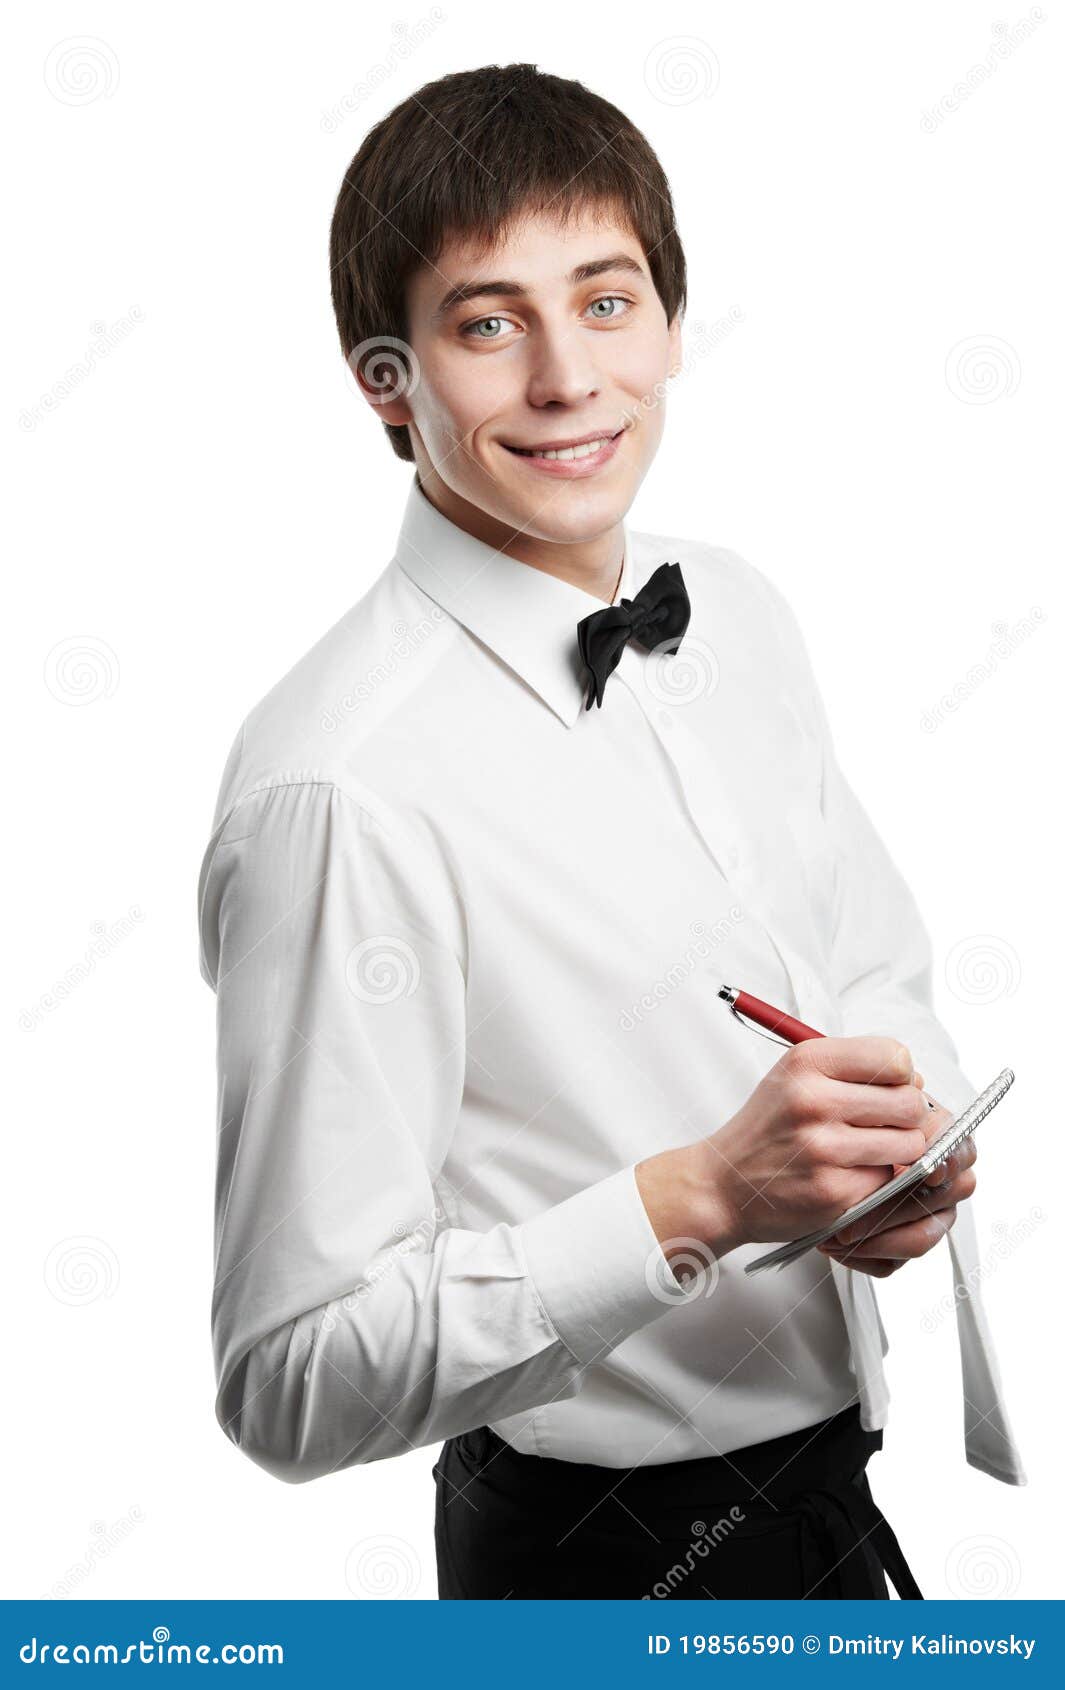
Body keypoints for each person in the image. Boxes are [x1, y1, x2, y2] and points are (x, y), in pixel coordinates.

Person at [197, 62, 1023, 1600]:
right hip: (584, 1568)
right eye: (487, 323)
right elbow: (290, 1376)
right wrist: (697, 1197)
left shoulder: (738, 609)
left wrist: (896, 1139)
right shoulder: (337, 788)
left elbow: (867, 965)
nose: (569, 377)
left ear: (671, 319)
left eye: (605, 299)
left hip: (833, 1513)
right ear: (385, 378)